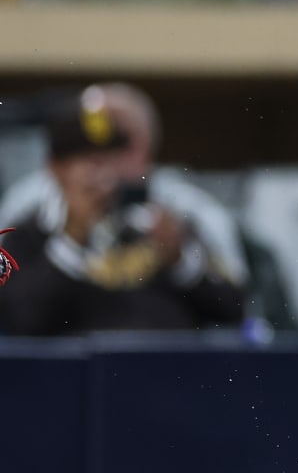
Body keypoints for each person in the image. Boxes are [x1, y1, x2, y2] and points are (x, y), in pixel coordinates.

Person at [0, 86, 245, 336]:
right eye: (87, 159)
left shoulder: (165, 222)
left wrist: (180, 262)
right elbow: (20, 321)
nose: (103, 173)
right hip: (72, 374)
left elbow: (233, 310)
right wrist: (72, 239)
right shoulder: (27, 233)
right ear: (56, 168)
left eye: (110, 156)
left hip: (168, 371)